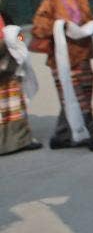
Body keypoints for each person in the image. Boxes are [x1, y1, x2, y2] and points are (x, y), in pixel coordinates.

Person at [31, 0, 93, 152]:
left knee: (77, 96)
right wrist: (59, 26)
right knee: (78, 97)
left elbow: (88, 20)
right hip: (61, 59)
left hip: (83, 55)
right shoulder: (49, 3)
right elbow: (38, 28)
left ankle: (61, 135)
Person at [1, 11, 42, 155]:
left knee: (15, 108)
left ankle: (20, 140)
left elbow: (19, 35)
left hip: (10, 71)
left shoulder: (4, 16)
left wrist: (17, 41)